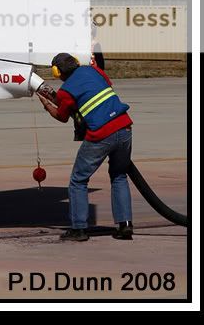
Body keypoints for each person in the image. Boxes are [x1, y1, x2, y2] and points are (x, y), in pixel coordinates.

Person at [38, 52, 133, 242]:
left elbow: (62, 116)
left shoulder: (65, 91)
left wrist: (47, 104)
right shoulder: (94, 71)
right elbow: (97, 90)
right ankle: (125, 226)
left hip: (101, 134)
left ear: (57, 72)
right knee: (119, 176)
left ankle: (79, 229)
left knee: (78, 180)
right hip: (124, 128)